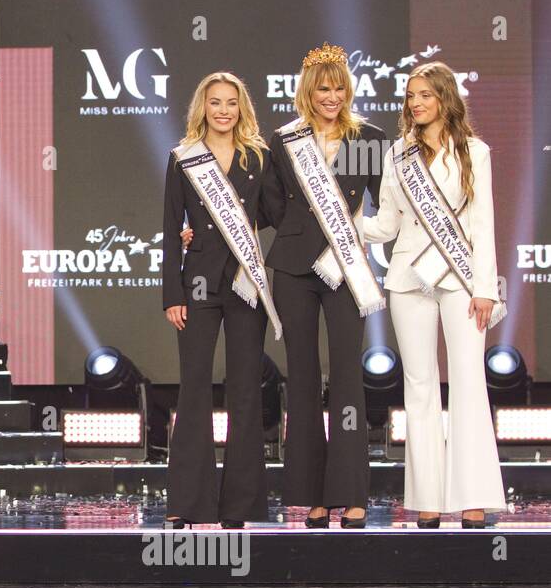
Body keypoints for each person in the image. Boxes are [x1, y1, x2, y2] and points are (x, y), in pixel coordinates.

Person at [360, 62, 504, 529]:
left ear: (445, 98)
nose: (416, 103)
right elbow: (385, 222)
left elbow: (483, 225)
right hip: (407, 281)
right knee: (419, 388)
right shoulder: (398, 153)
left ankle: (474, 496)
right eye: (410, 96)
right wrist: (342, 222)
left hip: (461, 282)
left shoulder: (474, 152)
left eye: (425, 94)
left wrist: (485, 288)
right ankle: (427, 499)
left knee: (467, 384)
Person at [263, 44, 387, 529]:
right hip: (294, 267)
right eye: (322, 89)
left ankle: (351, 495)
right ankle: (313, 497)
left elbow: (390, 207)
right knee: (303, 376)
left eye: (338, 88)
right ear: (307, 93)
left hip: (345, 269)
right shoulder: (283, 140)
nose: (331, 97)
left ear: (348, 90)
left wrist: (355, 231)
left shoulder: (370, 138)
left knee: (348, 379)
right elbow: (270, 206)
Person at [162, 72, 278, 528]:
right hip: (197, 285)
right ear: (202, 107)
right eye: (215, 102)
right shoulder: (182, 159)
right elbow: (171, 228)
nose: (224, 110)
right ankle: (186, 504)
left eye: (232, 102)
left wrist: (247, 228)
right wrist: (173, 292)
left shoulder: (259, 158)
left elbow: (273, 212)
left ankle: (239, 507)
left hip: (246, 283)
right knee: (194, 390)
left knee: (245, 392)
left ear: (241, 108)